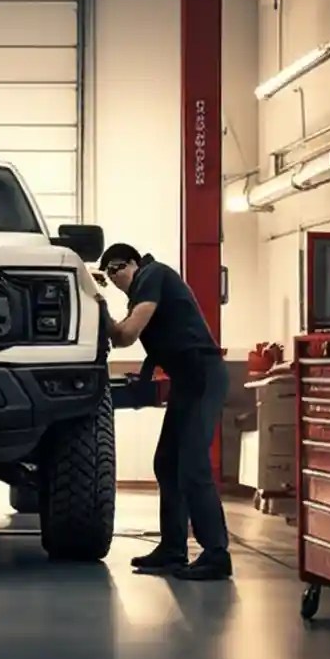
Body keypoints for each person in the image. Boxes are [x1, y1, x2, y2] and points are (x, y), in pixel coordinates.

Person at [97, 243, 232, 581]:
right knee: (167, 462)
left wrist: (101, 310)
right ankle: (173, 548)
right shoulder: (141, 291)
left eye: (116, 269)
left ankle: (217, 553)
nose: (114, 278)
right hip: (188, 381)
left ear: (132, 262)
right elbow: (122, 333)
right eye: (107, 275)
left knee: (192, 464)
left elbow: (126, 335)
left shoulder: (152, 275)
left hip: (202, 375)